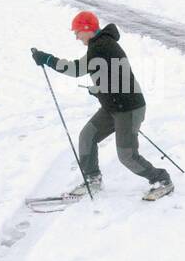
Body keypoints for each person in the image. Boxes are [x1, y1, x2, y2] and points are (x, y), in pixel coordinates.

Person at [31, 10, 174, 201]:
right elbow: (109, 74)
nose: (76, 36)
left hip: (128, 108)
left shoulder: (102, 46)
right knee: (87, 136)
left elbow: (75, 70)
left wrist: (47, 59)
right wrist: (98, 88)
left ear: (87, 29)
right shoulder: (99, 45)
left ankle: (162, 180)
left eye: (77, 32)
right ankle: (93, 179)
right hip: (113, 106)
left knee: (127, 156)